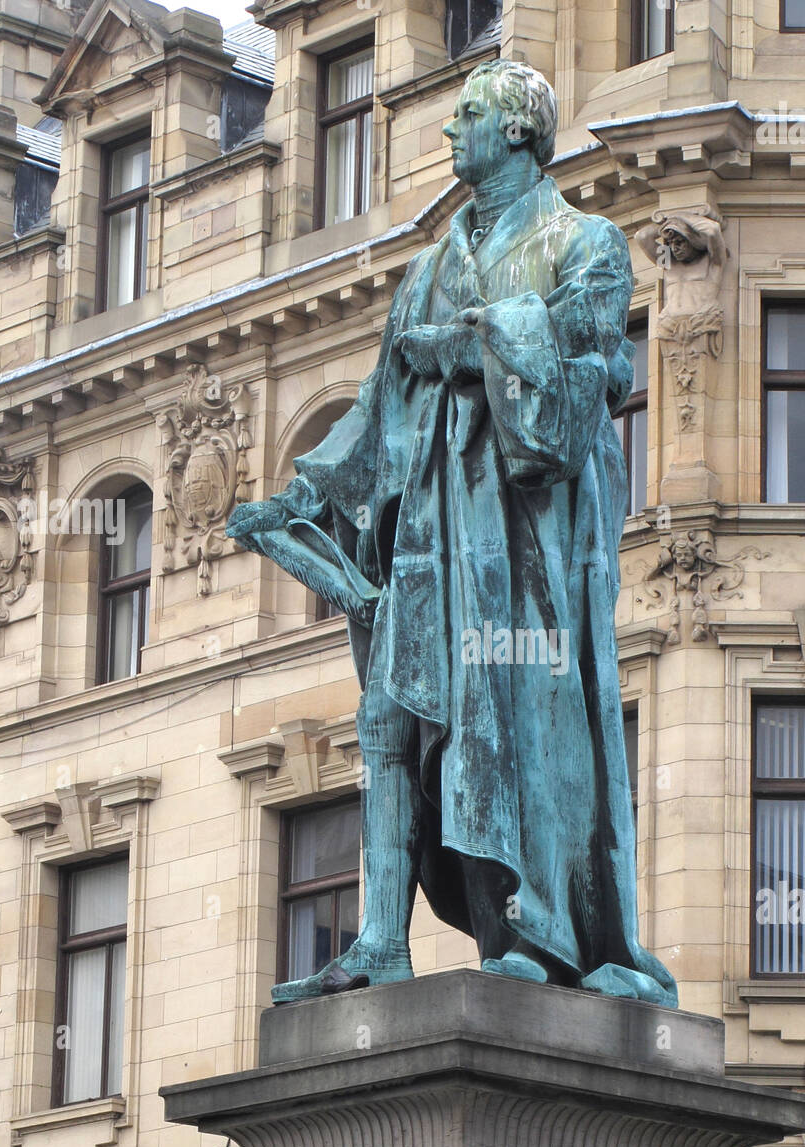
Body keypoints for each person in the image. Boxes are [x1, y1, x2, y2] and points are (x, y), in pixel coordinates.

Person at [227, 59, 677, 1007]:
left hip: (526, 541)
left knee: (507, 725)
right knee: (388, 718)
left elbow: (592, 374)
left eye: (466, 115)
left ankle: (534, 926)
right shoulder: (428, 266)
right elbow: (379, 405)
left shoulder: (584, 241)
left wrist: (476, 342)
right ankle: (381, 940)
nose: (447, 132)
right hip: (430, 529)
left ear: (518, 128)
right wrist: (302, 498)